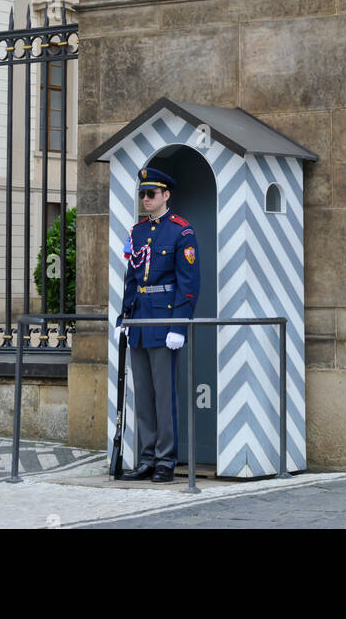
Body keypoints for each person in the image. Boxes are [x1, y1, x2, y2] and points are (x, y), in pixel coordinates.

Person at [113, 167, 200, 482]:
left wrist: (178, 325)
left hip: (164, 321)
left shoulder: (181, 232)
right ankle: (147, 458)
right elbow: (132, 279)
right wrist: (125, 316)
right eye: (142, 194)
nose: (146, 199)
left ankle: (165, 460)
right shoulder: (137, 232)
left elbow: (188, 284)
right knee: (144, 395)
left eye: (151, 194)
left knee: (164, 395)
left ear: (166, 195)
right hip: (139, 320)